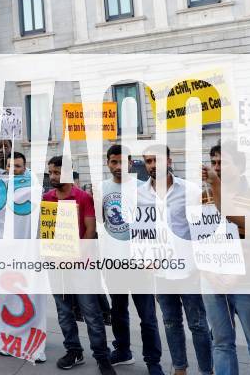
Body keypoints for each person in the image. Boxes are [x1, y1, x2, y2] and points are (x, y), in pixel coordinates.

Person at [201, 142, 250, 374]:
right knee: (221, 344)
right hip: (214, 286)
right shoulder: (203, 197)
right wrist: (209, 274)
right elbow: (200, 240)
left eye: (223, 163)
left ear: (240, 166)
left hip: (248, 285)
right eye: (213, 162)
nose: (216, 167)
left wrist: (237, 275)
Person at [139, 146, 213, 375]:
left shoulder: (190, 191)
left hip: (189, 271)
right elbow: (140, 232)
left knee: (198, 325)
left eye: (157, 160)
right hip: (161, 274)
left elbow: (204, 231)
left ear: (169, 161)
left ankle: (206, 370)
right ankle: (180, 369)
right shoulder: (139, 195)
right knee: (171, 323)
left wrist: (202, 266)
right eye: (149, 161)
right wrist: (145, 261)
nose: (153, 165)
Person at [43, 155, 115, 374]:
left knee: (91, 313)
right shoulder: (47, 197)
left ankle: (102, 357)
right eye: (51, 172)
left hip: (81, 265)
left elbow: (90, 230)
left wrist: (74, 257)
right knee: (64, 312)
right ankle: (74, 351)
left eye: (57, 172)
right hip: (57, 265)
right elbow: (47, 232)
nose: (53, 176)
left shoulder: (83, 197)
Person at [101, 145, 163, 374]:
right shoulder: (101, 189)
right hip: (113, 263)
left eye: (122, 162)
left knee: (147, 317)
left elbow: (156, 225)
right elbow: (100, 223)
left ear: (130, 163)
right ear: (108, 163)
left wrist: (153, 258)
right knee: (118, 312)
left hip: (140, 264)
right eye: (113, 162)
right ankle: (123, 351)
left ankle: (153, 361)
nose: (118, 166)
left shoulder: (144, 189)